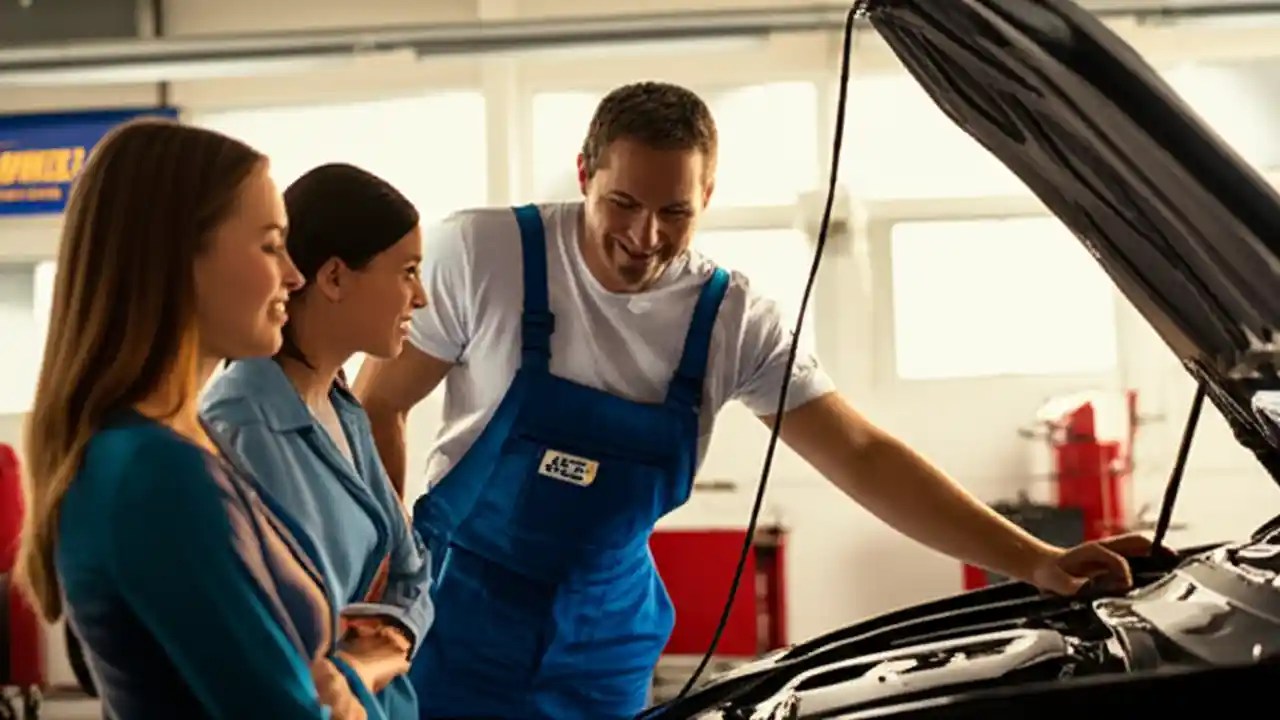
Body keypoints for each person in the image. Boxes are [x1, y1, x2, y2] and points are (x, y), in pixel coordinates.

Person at [353, 81, 1154, 720]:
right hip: (454, 617)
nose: (646, 237)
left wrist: (1036, 560)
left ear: (710, 195)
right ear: (585, 173)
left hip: (603, 640)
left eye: (676, 212)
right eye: (622, 205)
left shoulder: (733, 319)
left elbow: (862, 455)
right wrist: (385, 568)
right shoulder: (486, 254)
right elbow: (377, 401)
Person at [14, 118, 382, 720]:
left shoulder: (179, 444)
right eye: (269, 244)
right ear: (177, 259)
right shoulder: (152, 473)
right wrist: (345, 699)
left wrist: (338, 683)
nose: (293, 273)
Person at [201, 163, 434, 720]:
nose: (420, 296)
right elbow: (287, 641)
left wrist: (383, 648)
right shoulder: (242, 426)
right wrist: (368, 655)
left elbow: (414, 572)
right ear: (333, 278)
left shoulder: (343, 408)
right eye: (407, 271)